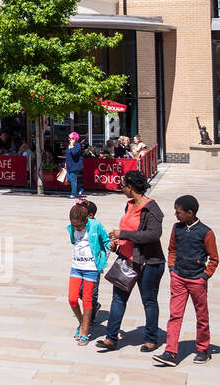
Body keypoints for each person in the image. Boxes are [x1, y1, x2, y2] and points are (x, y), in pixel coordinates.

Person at [95, 169, 165, 353]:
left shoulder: (151, 208)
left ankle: (151, 339)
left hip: (149, 262)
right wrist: (118, 243)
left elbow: (153, 234)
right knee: (118, 299)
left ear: (131, 187)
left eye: (124, 186)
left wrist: (123, 234)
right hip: (126, 260)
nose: (122, 189)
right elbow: (131, 234)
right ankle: (111, 338)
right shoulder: (129, 205)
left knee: (149, 300)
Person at [154, 195, 220, 366]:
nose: (176, 215)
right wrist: (172, 269)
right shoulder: (177, 228)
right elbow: (172, 249)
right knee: (175, 315)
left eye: (179, 212)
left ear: (190, 213)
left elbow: (214, 259)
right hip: (178, 278)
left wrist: (204, 276)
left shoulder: (206, 232)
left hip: (197, 280)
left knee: (202, 316)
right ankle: (170, 352)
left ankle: (203, 349)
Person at [66, 202, 110, 345]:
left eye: (79, 226)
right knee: (72, 298)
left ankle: (85, 332)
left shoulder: (95, 226)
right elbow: (74, 241)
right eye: (74, 226)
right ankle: (82, 323)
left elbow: (106, 240)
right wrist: (74, 229)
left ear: (87, 220)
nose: (77, 228)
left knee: (87, 300)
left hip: (91, 268)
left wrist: (114, 247)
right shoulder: (72, 229)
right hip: (76, 267)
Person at [64, 132, 85, 200]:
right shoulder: (69, 145)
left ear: (75, 139)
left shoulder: (77, 145)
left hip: (75, 165)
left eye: (71, 138)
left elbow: (74, 153)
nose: (69, 139)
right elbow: (67, 154)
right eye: (69, 138)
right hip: (69, 165)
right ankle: (80, 188)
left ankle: (74, 194)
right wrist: (65, 163)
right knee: (69, 179)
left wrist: (72, 146)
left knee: (73, 179)